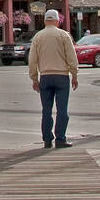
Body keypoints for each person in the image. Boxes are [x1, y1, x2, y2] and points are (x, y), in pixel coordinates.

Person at [28, 9, 78, 148]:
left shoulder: (38, 36)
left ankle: (47, 139)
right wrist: (74, 74)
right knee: (62, 109)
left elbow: (32, 59)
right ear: (57, 21)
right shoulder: (63, 35)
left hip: (45, 76)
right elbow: (71, 57)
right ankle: (60, 138)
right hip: (62, 76)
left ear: (45, 21)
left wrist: (34, 78)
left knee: (46, 110)